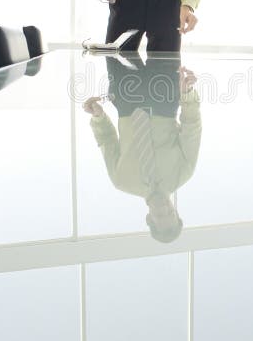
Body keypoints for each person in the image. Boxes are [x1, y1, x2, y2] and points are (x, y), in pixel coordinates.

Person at [83, 54, 202, 243]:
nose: (164, 208)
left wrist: (98, 116)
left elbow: (107, 142)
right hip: (164, 99)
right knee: (166, 36)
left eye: (160, 215)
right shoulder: (184, 172)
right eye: (170, 212)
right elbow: (191, 127)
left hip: (126, 100)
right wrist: (187, 94)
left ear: (149, 218)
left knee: (116, 45)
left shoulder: (121, 181)